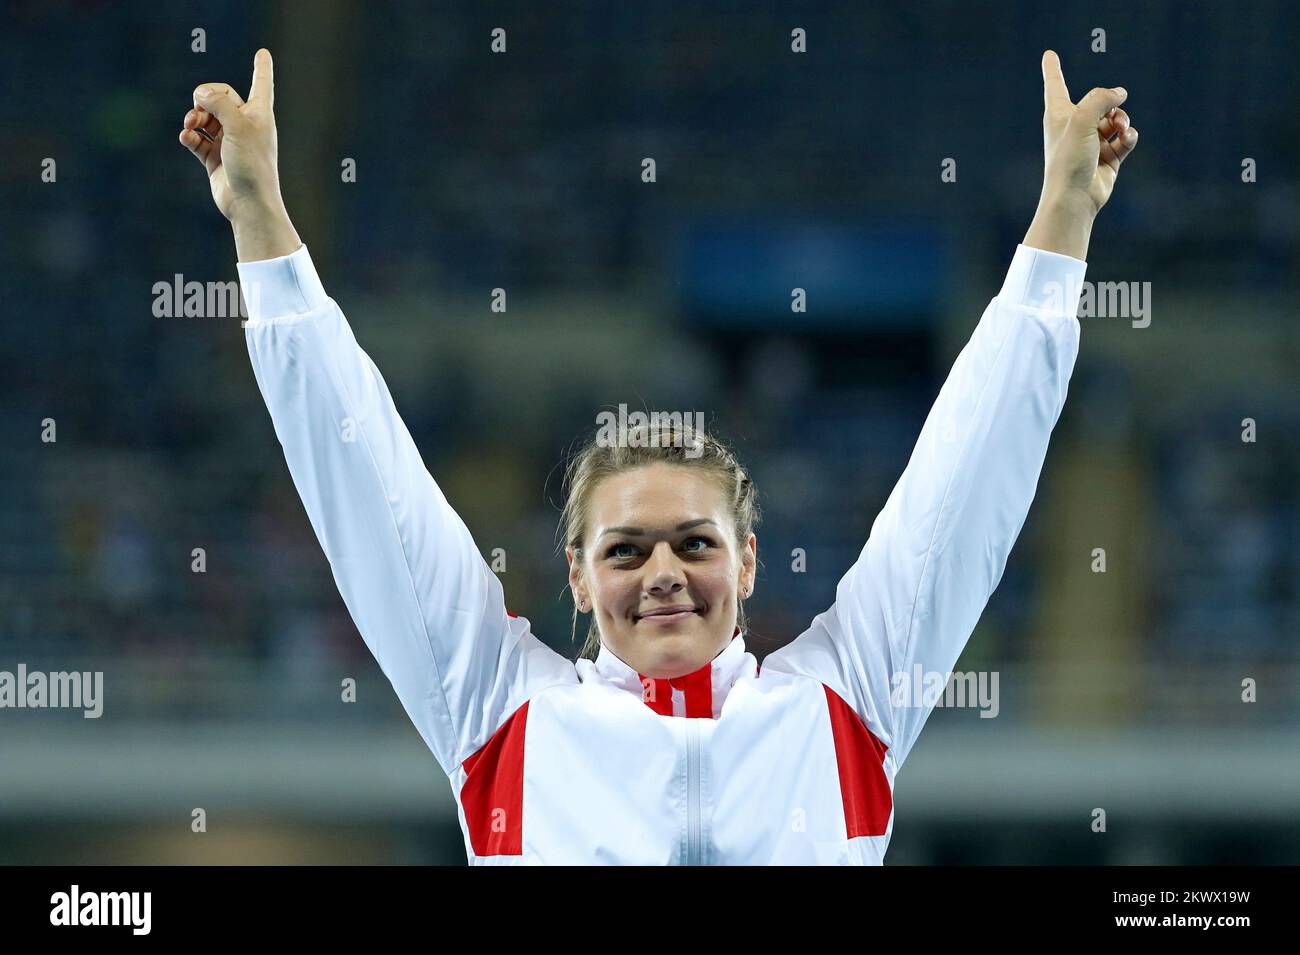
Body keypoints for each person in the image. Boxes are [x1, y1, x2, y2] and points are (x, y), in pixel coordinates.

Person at [179, 48, 1138, 864]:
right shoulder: (502, 717)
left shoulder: (844, 706)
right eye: (627, 550)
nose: (665, 573)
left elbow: (966, 480)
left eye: (694, 542)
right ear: (580, 579)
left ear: (749, 559)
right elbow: (367, 486)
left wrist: (1062, 225)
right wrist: (261, 226)